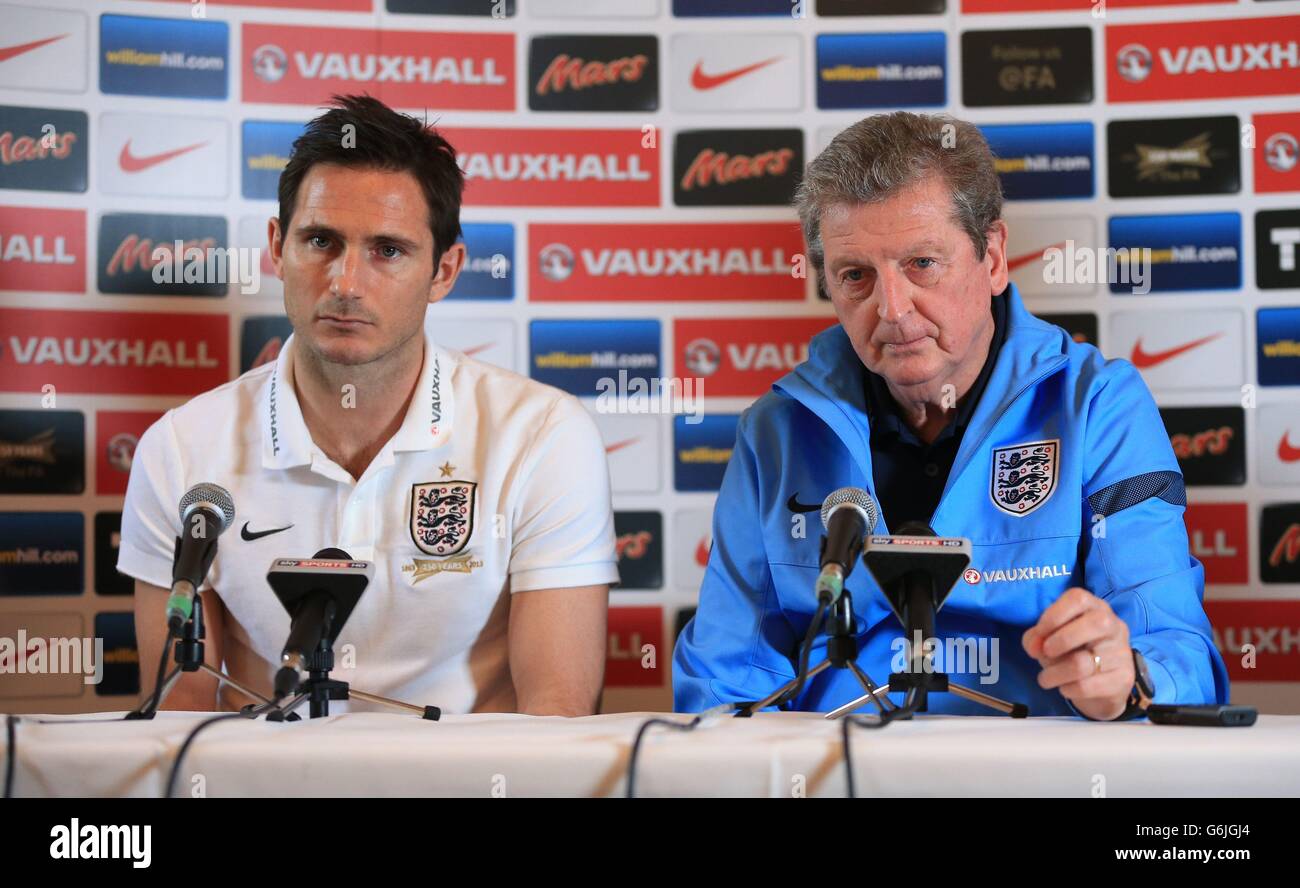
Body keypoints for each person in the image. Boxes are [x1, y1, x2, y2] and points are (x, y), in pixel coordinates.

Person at [674, 111, 1228, 720]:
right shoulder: (776, 434)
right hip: (838, 773)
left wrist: (1132, 677)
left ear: (992, 259)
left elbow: (1179, 653)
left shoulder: (1097, 406)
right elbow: (723, 685)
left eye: (922, 263)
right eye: (855, 276)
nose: (890, 307)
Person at [120, 95, 618, 716]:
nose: (346, 283)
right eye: (321, 240)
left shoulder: (543, 435)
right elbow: (180, 714)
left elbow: (558, 715)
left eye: (387, 250)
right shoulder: (180, 448)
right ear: (277, 248)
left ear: (445, 270)